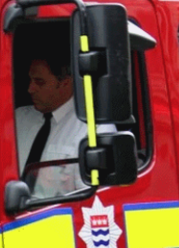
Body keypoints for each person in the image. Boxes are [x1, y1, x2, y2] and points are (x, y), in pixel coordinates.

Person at [15, 52, 114, 198]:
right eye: (30, 80)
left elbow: (92, 199)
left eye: (40, 82)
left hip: (52, 210)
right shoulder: (18, 118)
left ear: (66, 83)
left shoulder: (94, 130)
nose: (30, 89)